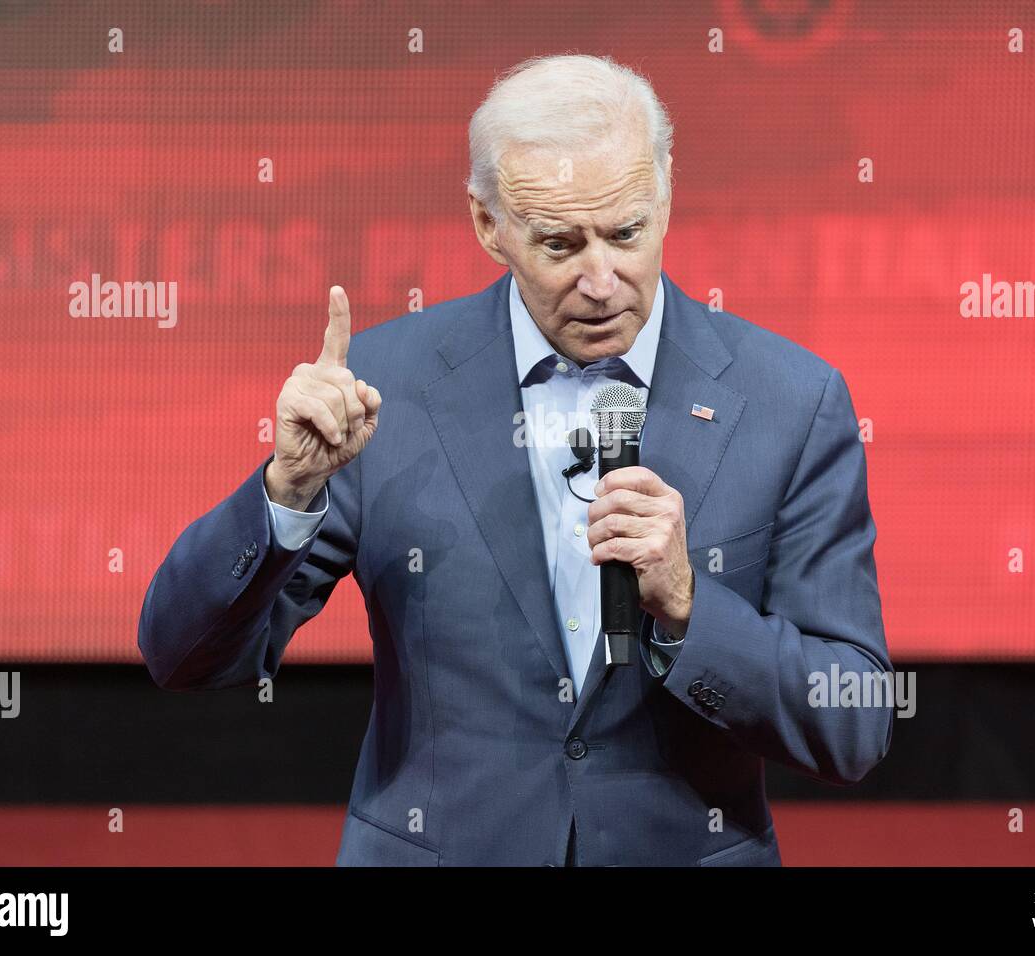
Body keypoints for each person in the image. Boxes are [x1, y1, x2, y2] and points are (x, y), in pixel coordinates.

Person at [138, 53, 893, 866]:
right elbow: (184, 657)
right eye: (561, 244)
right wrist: (286, 490)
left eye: (627, 232)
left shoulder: (791, 401)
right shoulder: (386, 392)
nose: (602, 280)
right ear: (488, 225)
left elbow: (853, 724)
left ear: (667, 188)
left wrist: (687, 605)